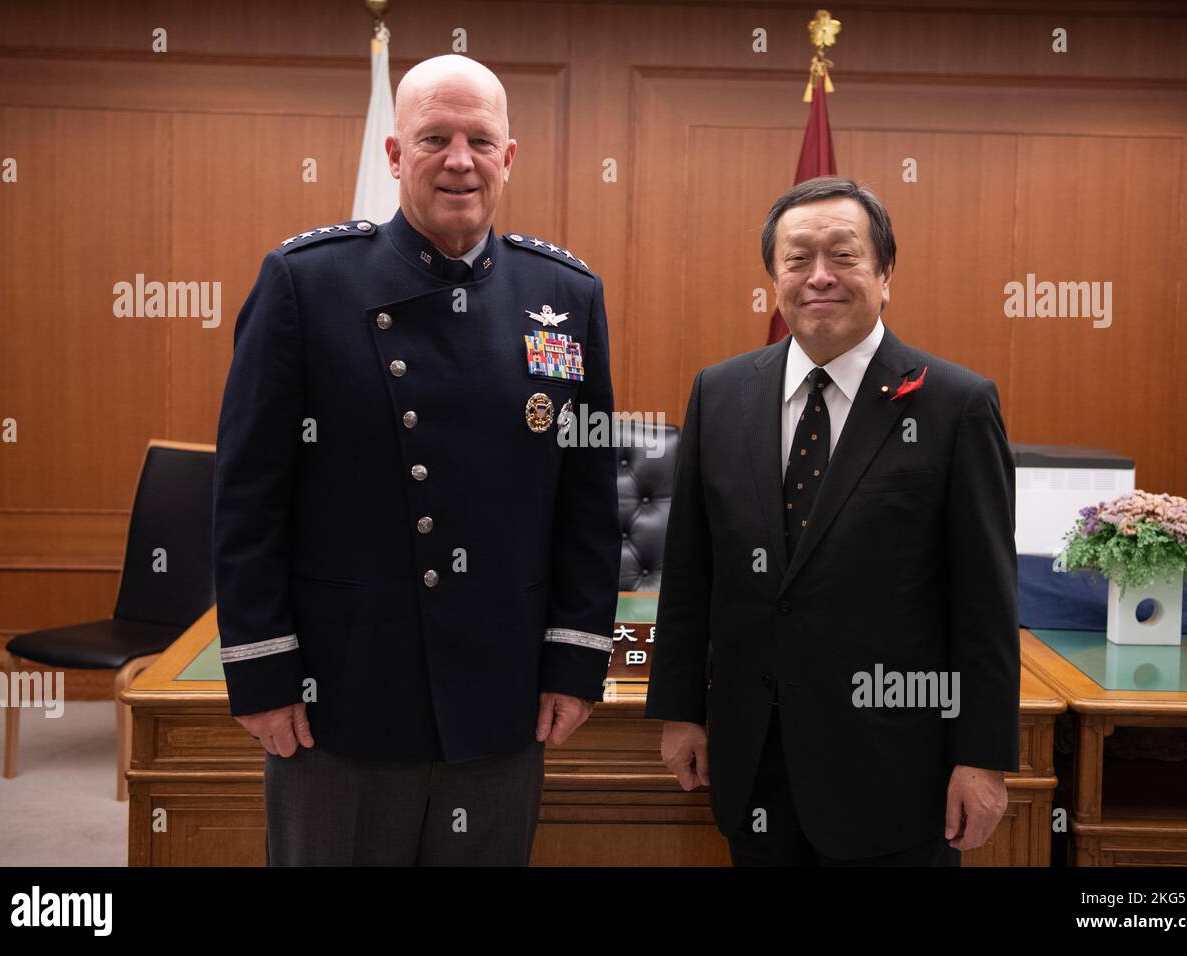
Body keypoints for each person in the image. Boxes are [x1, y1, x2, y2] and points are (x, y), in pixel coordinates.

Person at [213, 54, 619, 866]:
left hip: (502, 693)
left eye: (479, 139)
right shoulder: (305, 283)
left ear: (509, 157)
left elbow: (586, 494)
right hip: (343, 694)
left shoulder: (566, 294)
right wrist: (261, 672)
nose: (458, 159)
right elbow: (248, 496)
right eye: (434, 137)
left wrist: (576, 658)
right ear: (395, 155)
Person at [644, 176, 1019, 866]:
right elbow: (693, 572)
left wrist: (983, 757)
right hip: (755, 762)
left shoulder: (954, 406)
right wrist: (681, 710)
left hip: (898, 773)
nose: (820, 276)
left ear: (884, 275)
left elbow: (986, 604)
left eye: (844, 256)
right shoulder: (720, 393)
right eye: (798, 259)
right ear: (773, 278)